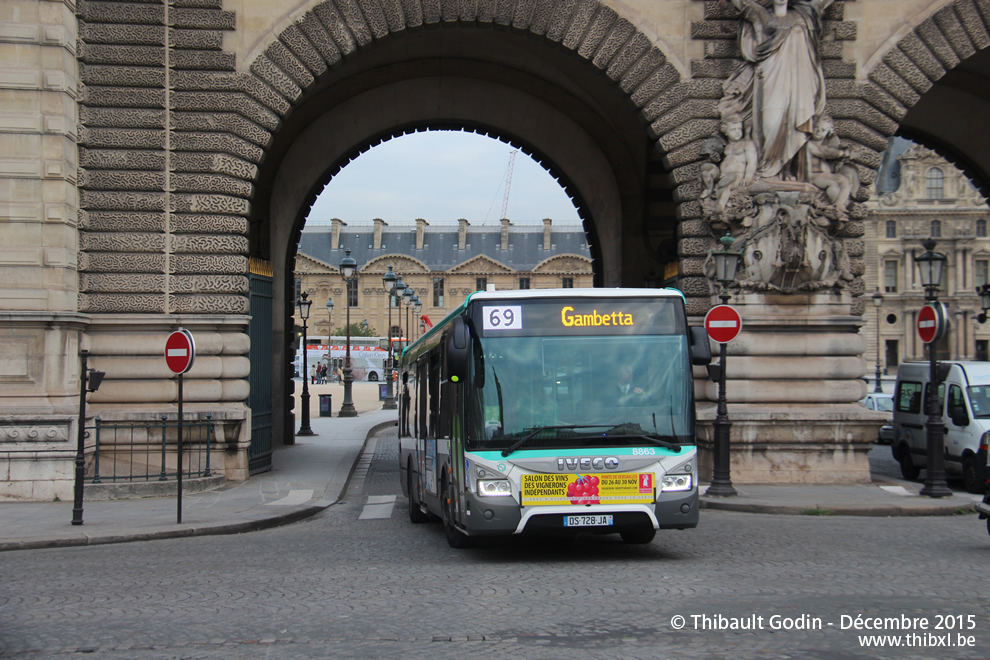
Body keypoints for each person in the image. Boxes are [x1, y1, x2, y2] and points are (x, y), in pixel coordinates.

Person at [720, 0, 833, 182]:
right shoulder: (761, 16)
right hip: (770, 77)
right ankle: (767, 167)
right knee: (770, 124)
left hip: (800, 81)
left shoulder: (804, 15)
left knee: (796, 126)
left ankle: (787, 170)